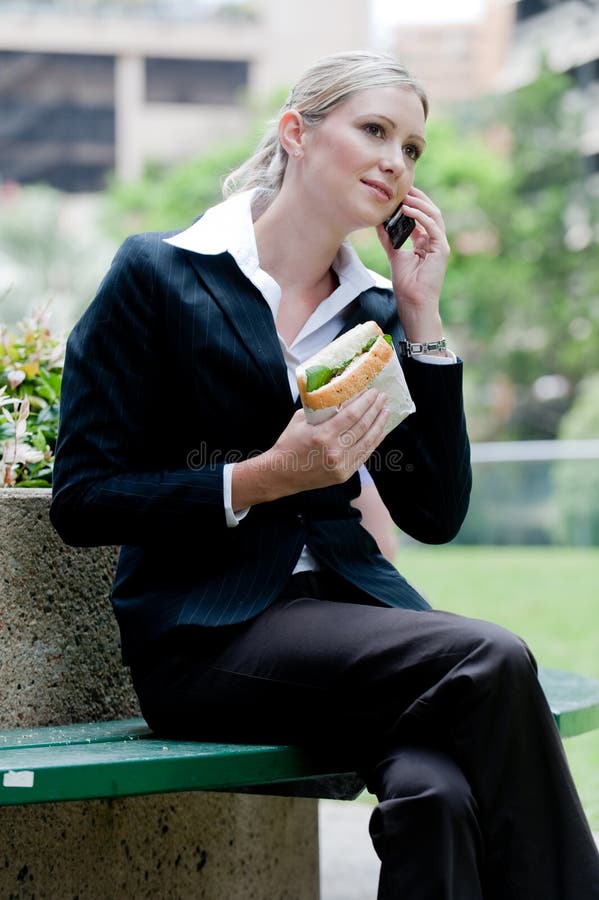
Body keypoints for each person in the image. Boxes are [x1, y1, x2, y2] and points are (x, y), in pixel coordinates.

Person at [50, 50, 599, 900]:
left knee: (436, 793)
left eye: (413, 148)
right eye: (374, 130)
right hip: (208, 639)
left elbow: (432, 510)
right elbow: (83, 499)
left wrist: (421, 316)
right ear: (296, 133)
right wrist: (262, 477)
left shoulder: (374, 311)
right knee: (489, 657)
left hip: (355, 623)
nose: (396, 160)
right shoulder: (158, 276)